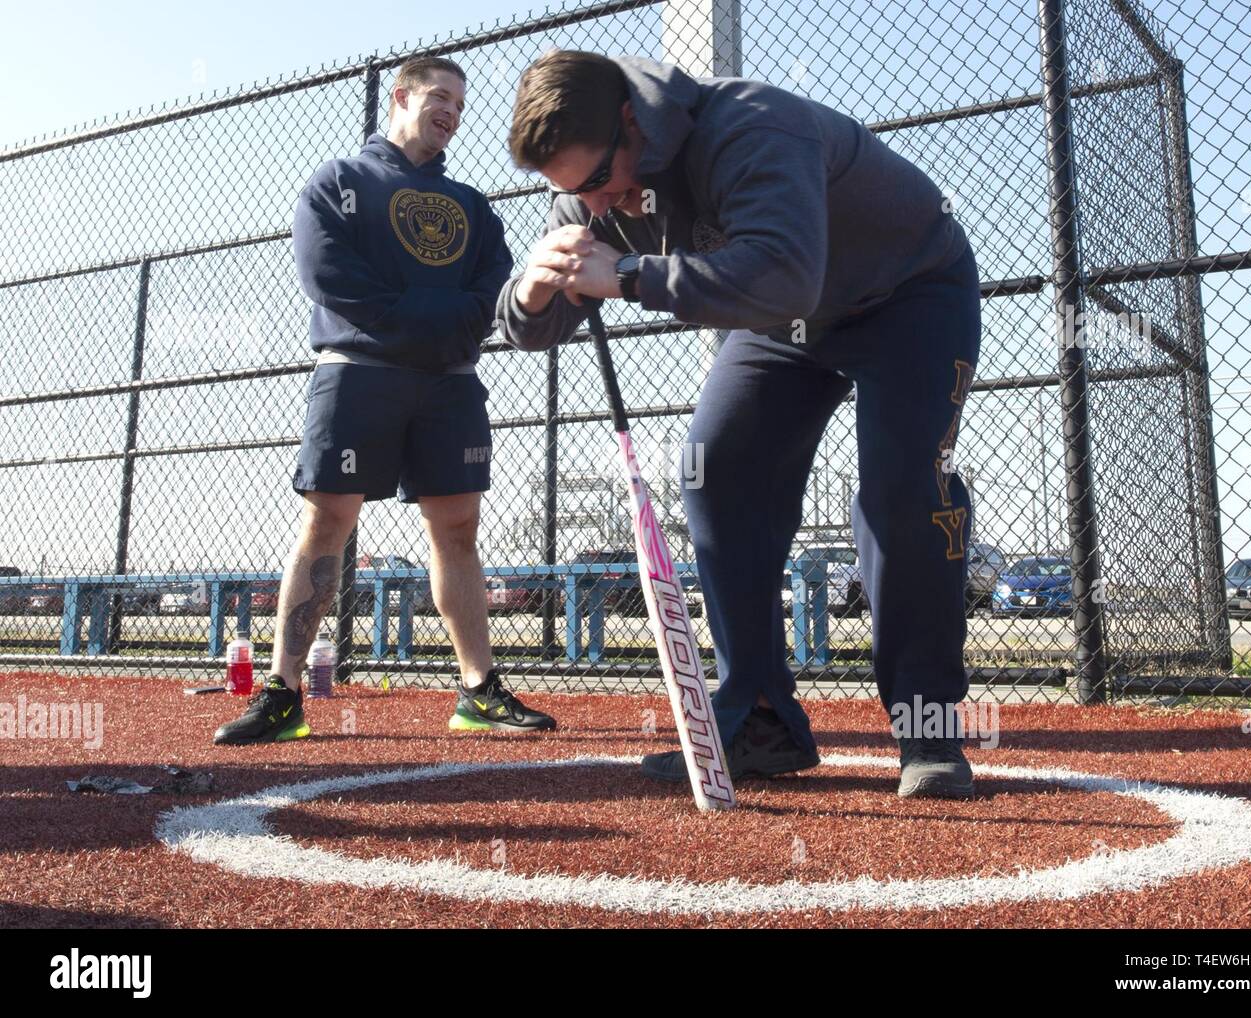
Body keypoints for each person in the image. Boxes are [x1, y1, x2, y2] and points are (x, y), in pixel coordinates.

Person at [495, 50, 980, 797]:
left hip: (907, 292)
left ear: (634, 122)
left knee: (900, 488)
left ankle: (931, 731)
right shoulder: (590, 189)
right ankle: (759, 718)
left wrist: (627, 277)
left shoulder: (752, 125)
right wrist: (528, 295)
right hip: (784, 323)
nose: (591, 207)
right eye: (567, 192)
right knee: (715, 469)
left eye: (596, 181)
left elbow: (785, 271)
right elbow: (542, 322)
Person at [215, 56, 555, 745]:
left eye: (461, 103)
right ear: (400, 96)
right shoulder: (337, 181)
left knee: (457, 531)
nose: (453, 112)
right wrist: (427, 320)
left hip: (450, 381)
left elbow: (492, 287)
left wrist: (439, 326)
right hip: (360, 372)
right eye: (439, 97)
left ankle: (478, 691)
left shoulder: (473, 206)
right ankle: (283, 694)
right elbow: (329, 276)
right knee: (327, 525)